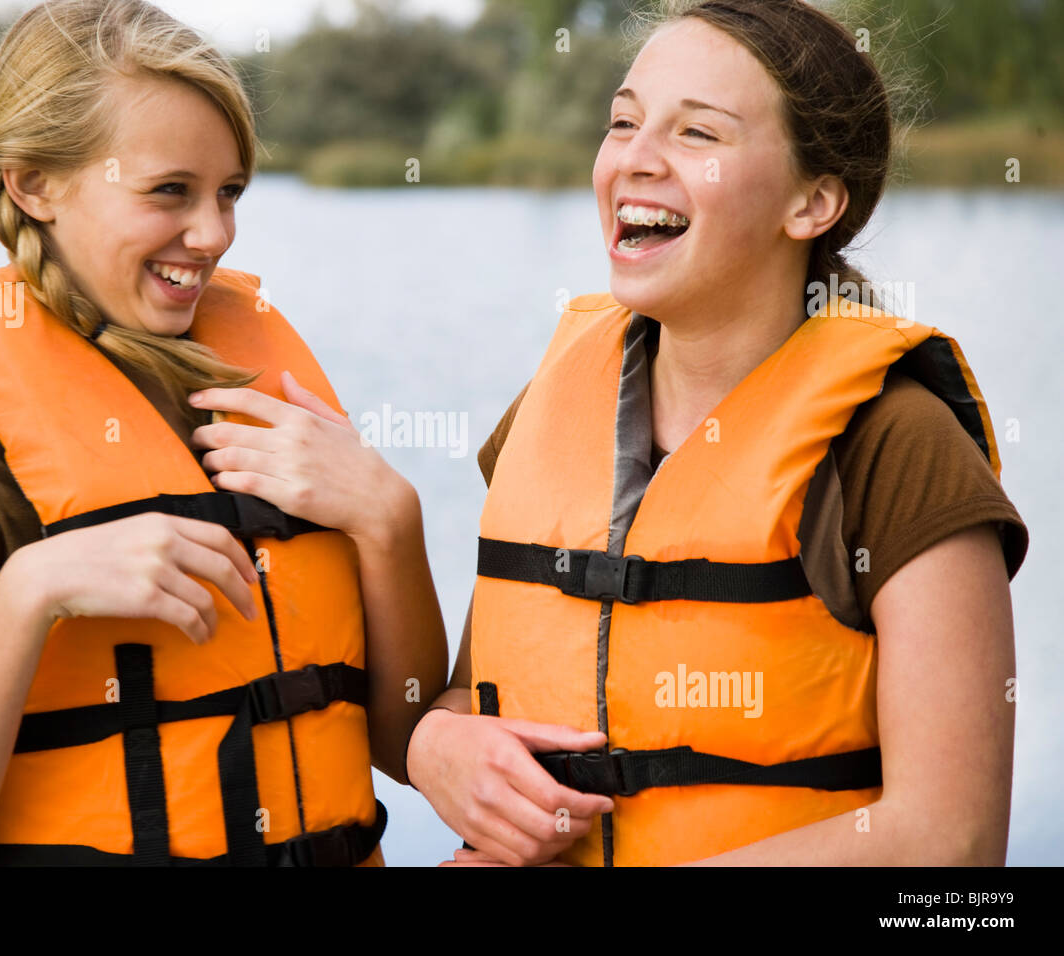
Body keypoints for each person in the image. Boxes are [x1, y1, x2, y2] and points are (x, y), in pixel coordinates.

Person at [406, 0, 1028, 866]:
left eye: (698, 135)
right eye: (622, 122)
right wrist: (433, 747)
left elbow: (950, 845)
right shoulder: (548, 410)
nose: (635, 159)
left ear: (812, 202)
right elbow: (476, 693)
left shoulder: (896, 445)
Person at [0, 0, 446, 867]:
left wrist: (389, 519)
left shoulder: (266, 394)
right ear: (32, 184)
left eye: (229, 192)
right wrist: (28, 592)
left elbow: (405, 746)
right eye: (171, 191)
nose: (214, 235)